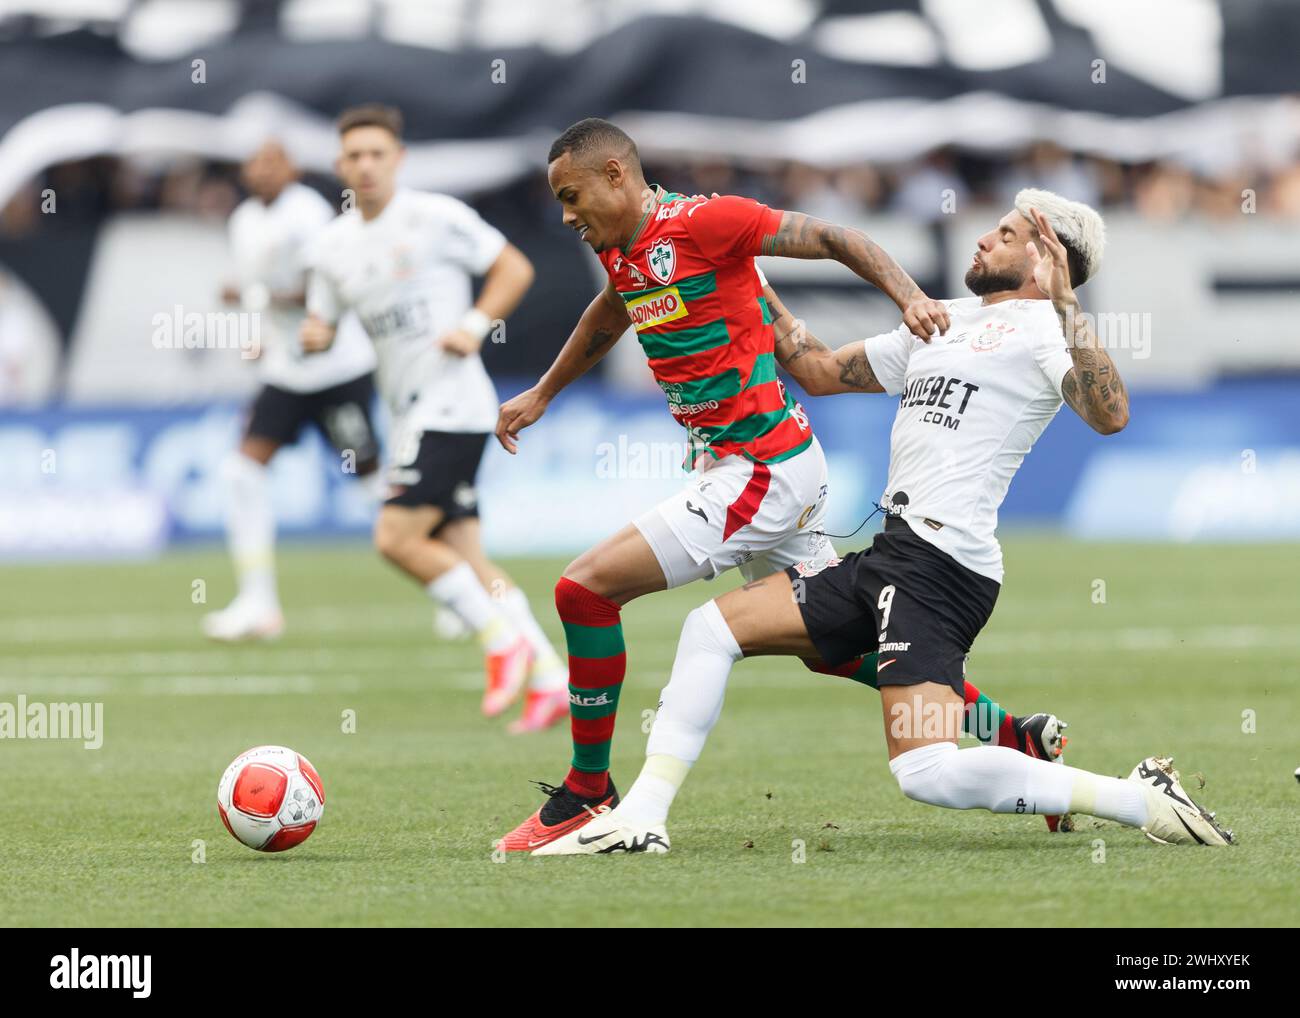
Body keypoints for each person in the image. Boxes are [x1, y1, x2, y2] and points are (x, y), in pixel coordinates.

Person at [536, 190, 1234, 854]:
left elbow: (1111, 415)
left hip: (940, 571)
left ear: (1049, 260)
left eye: (1010, 234)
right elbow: (816, 371)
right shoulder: (947, 320)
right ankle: (643, 817)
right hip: (887, 557)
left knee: (925, 770)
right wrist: (748, 283)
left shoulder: (1047, 334)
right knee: (710, 629)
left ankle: (1138, 799)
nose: (986, 236)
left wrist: (1069, 308)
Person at [495, 119, 1066, 851]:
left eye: (573, 196)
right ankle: (1012, 735)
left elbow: (834, 238)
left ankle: (587, 792)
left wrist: (908, 298)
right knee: (833, 642)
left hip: (760, 471)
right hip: (761, 468)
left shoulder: (708, 220)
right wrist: (544, 393)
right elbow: (613, 309)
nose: (568, 216)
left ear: (615, 175)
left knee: (584, 590)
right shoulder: (624, 250)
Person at [302, 105, 568, 733]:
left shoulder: (436, 218)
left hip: (453, 403)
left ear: (398, 159)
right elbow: (322, 323)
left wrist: (473, 326)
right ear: (340, 166)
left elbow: (514, 267)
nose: (366, 165)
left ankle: (498, 639)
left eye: (377, 153)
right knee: (469, 557)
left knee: (395, 538)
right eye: (354, 156)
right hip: (406, 413)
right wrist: (312, 336)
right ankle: (553, 678)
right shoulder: (332, 248)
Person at [203, 140, 379, 641]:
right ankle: (258, 604)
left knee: (371, 483)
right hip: (286, 372)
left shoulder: (307, 212)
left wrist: (251, 297)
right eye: (253, 161)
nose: (260, 170)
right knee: (241, 472)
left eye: (270, 160)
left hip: (335, 367)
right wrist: (257, 336)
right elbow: (264, 296)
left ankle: (450, 590)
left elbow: (322, 288)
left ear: (292, 168)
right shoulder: (243, 220)